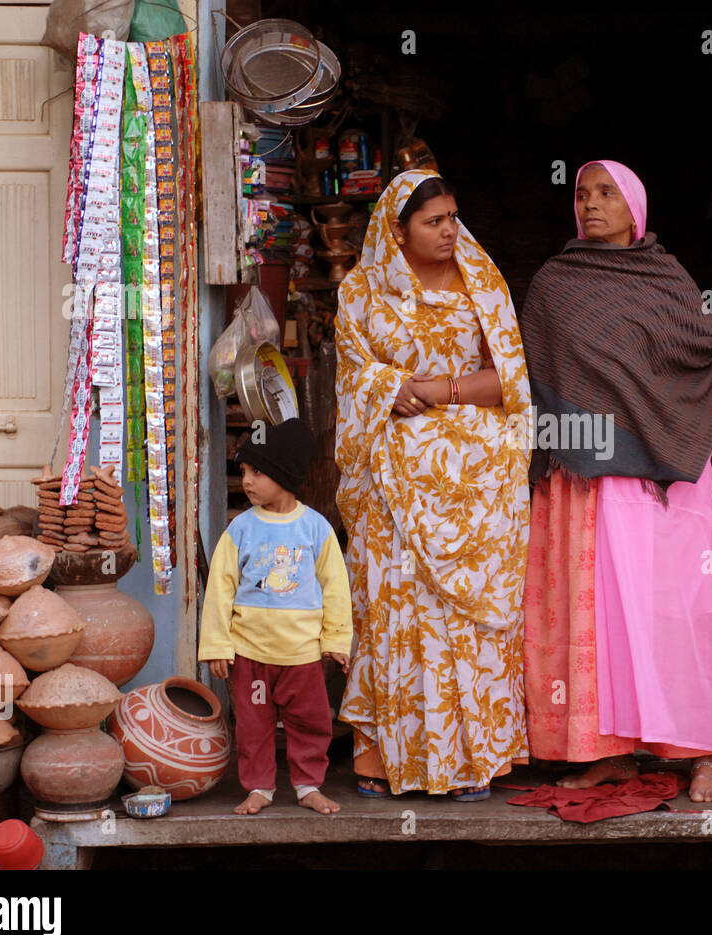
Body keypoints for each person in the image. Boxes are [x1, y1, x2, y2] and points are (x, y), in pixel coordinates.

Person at [519, 160, 712, 803]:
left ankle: (699, 754)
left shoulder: (668, 278)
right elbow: (535, 383)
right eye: (582, 194)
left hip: (666, 481)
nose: (591, 204)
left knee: (681, 616)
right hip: (587, 483)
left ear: (636, 205)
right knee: (596, 624)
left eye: (607, 193)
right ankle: (605, 753)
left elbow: (707, 358)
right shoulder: (555, 285)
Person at [334, 170, 532, 800]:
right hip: (391, 486)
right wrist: (386, 388)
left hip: (476, 483)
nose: (450, 231)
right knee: (398, 613)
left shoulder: (483, 282)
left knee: (464, 621)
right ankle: (382, 761)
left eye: (453, 216)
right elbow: (354, 383)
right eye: (434, 221)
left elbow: (512, 383)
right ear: (398, 231)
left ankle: (475, 760)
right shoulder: (360, 293)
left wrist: (429, 391)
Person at [199, 417, 353, 816]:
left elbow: (336, 588)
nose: (247, 480)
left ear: (285, 474)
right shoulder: (240, 530)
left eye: (258, 471)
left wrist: (336, 642)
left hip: (302, 655)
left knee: (311, 723)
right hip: (250, 654)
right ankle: (259, 788)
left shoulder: (315, 529)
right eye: (245, 471)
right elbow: (220, 588)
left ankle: (308, 786)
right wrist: (218, 645)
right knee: (253, 726)